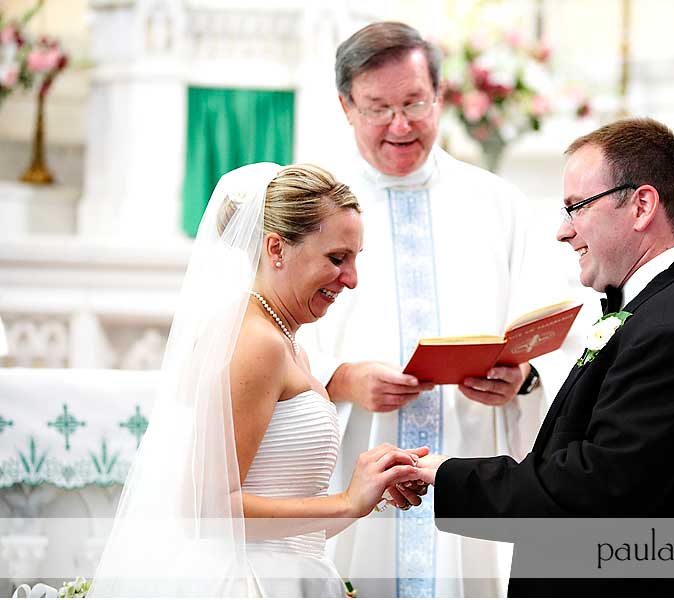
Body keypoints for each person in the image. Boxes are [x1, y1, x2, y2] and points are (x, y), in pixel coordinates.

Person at [417, 118, 674, 597]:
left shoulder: (671, 329)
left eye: (576, 207)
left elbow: (596, 491)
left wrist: (447, 476)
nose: (563, 231)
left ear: (642, 205)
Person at [298, 21, 574, 598]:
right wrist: (340, 378)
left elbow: (554, 324)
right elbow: (264, 328)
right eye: (379, 108)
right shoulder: (308, 206)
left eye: (414, 103)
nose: (400, 125)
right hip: (351, 452)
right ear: (346, 107)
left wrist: (523, 377)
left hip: (470, 449)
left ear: (441, 97)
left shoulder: (496, 203)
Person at [89, 163, 426, 597]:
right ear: (276, 248)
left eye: (355, 258)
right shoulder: (256, 342)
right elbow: (207, 510)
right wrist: (345, 501)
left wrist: (367, 493)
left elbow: (289, 532)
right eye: (337, 258)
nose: (352, 279)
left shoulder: (287, 343)